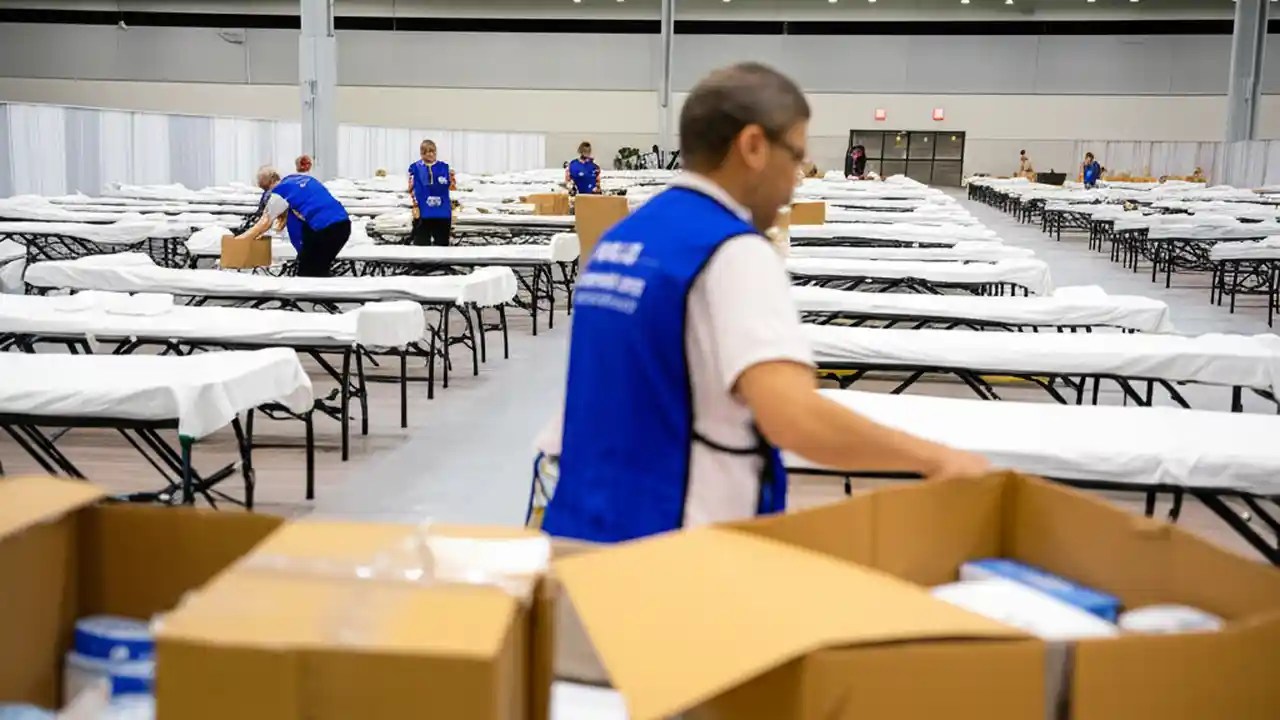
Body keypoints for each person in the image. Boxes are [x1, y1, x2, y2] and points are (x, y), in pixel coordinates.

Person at [541, 63, 990, 544]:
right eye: (795, 156)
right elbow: (795, 418)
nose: (796, 180)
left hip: (583, 535)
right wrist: (937, 458)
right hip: (675, 554)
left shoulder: (619, 241)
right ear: (754, 146)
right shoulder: (730, 251)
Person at [233, 165, 350, 278]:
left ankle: (326, 296)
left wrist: (237, 242)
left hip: (325, 229)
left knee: (308, 274)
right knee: (317, 270)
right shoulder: (303, 179)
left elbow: (264, 224)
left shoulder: (279, 193)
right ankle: (327, 295)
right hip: (343, 224)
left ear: (268, 185)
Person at [408, 139, 456, 247]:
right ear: (422, 153)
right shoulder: (415, 168)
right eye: (427, 151)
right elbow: (410, 188)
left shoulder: (444, 167)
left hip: (442, 213)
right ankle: (421, 264)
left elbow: (452, 187)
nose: (430, 154)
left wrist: (452, 178)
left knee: (442, 244)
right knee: (421, 244)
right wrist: (415, 204)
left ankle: (441, 264)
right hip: (423, 212)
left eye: (432, 151)